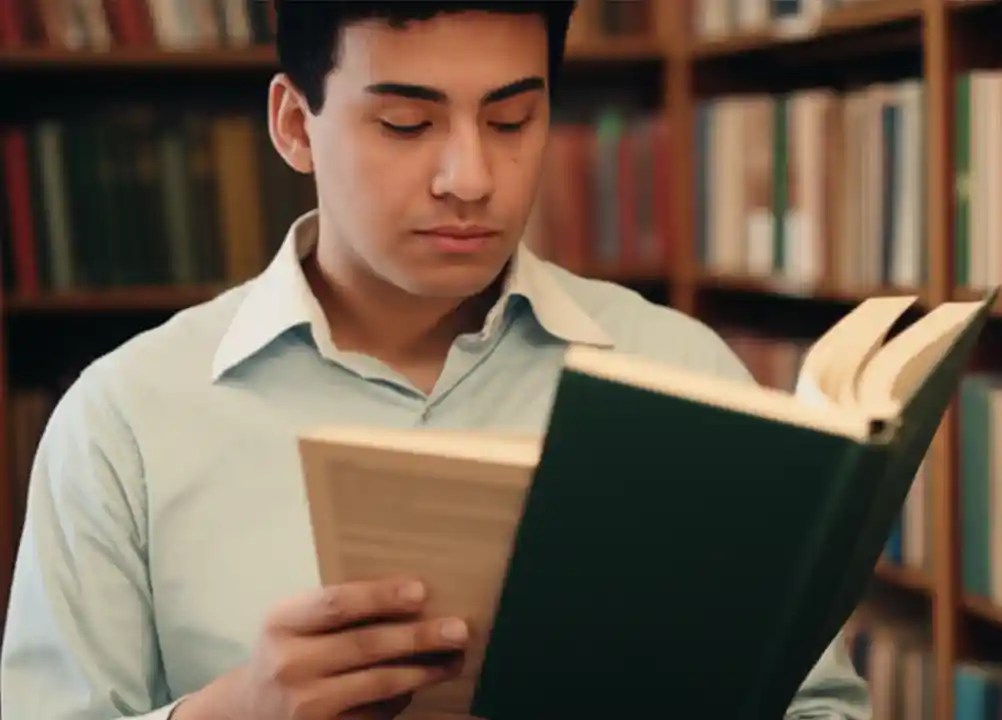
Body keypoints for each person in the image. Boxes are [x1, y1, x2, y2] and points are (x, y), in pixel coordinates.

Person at [0, 2, 871, 718]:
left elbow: (818, 705)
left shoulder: (679, 372)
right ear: (295, 126)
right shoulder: (125, 419)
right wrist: (233, 712)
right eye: (407, 123)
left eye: (512, 120)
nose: (471, 176)